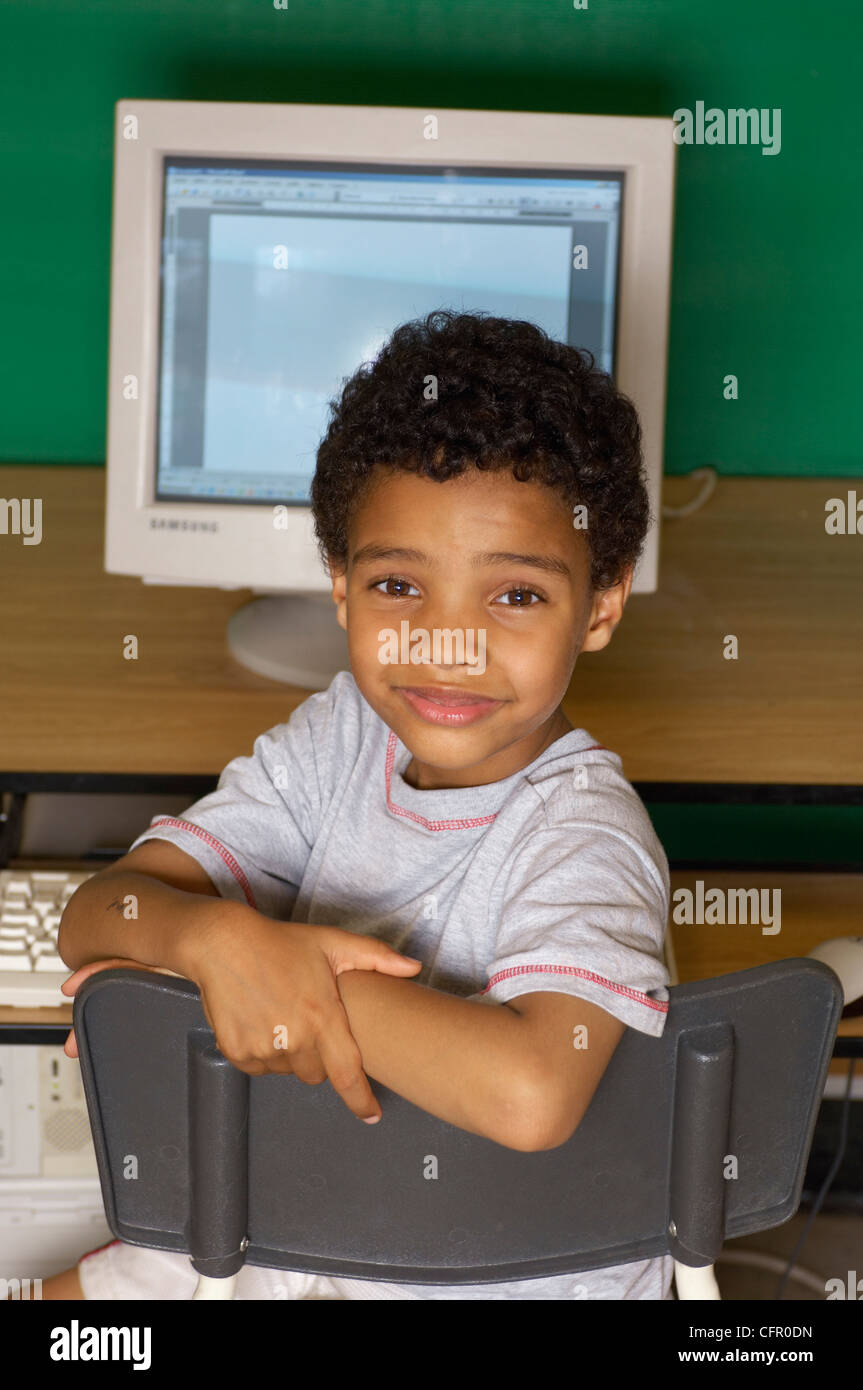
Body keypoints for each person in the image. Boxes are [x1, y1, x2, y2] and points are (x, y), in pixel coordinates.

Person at [33, 309, 672, 1300]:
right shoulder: (342, 736)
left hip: (485, 1264)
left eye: (513, 597)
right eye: (396, 585)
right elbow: (98, 914)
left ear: (599, 603)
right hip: (297, 1214)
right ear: (338, 587)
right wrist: (214, 946)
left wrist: (284, 982)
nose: (444, 644)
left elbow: (533, 1092)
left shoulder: (584, 832)